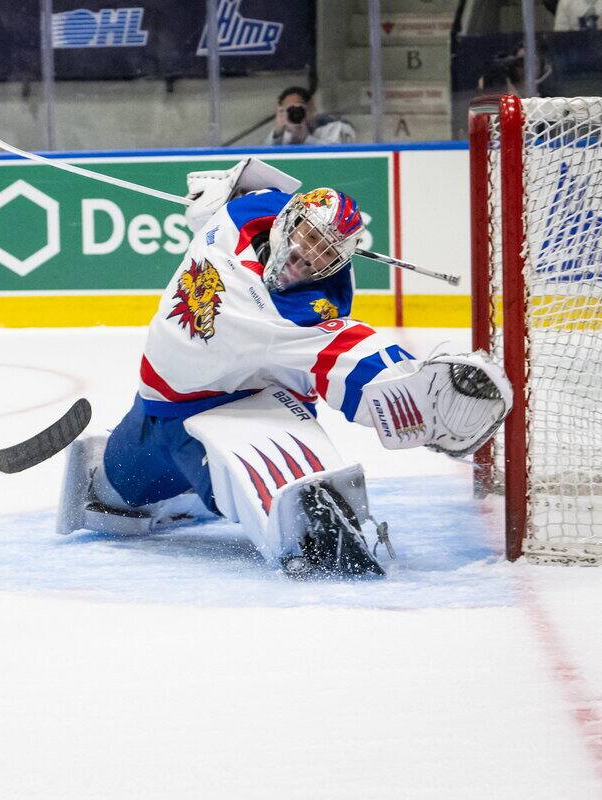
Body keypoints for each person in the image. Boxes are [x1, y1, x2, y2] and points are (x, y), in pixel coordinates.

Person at [57, 159, 511, 578]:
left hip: (216, 410)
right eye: (308, 237)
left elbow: (350, 354)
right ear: (286, 222)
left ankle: (303, 528)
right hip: (150, 408)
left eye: (326, 251)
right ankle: (147, 494)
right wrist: (218, 190)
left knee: (230, 477)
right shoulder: (239, 216)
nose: (307, 256)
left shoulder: (301, 317)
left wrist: (424, 394)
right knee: (109, 497)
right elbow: (243, 188)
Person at [265, 86, 356, 146]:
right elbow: (265, 160)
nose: (295, 113)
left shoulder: (336, 127)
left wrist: (306, 138)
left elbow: (335, 156)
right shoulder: (281, 133)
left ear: (311, 107)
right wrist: (277, 133)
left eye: (299, 108)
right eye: (289, 110)